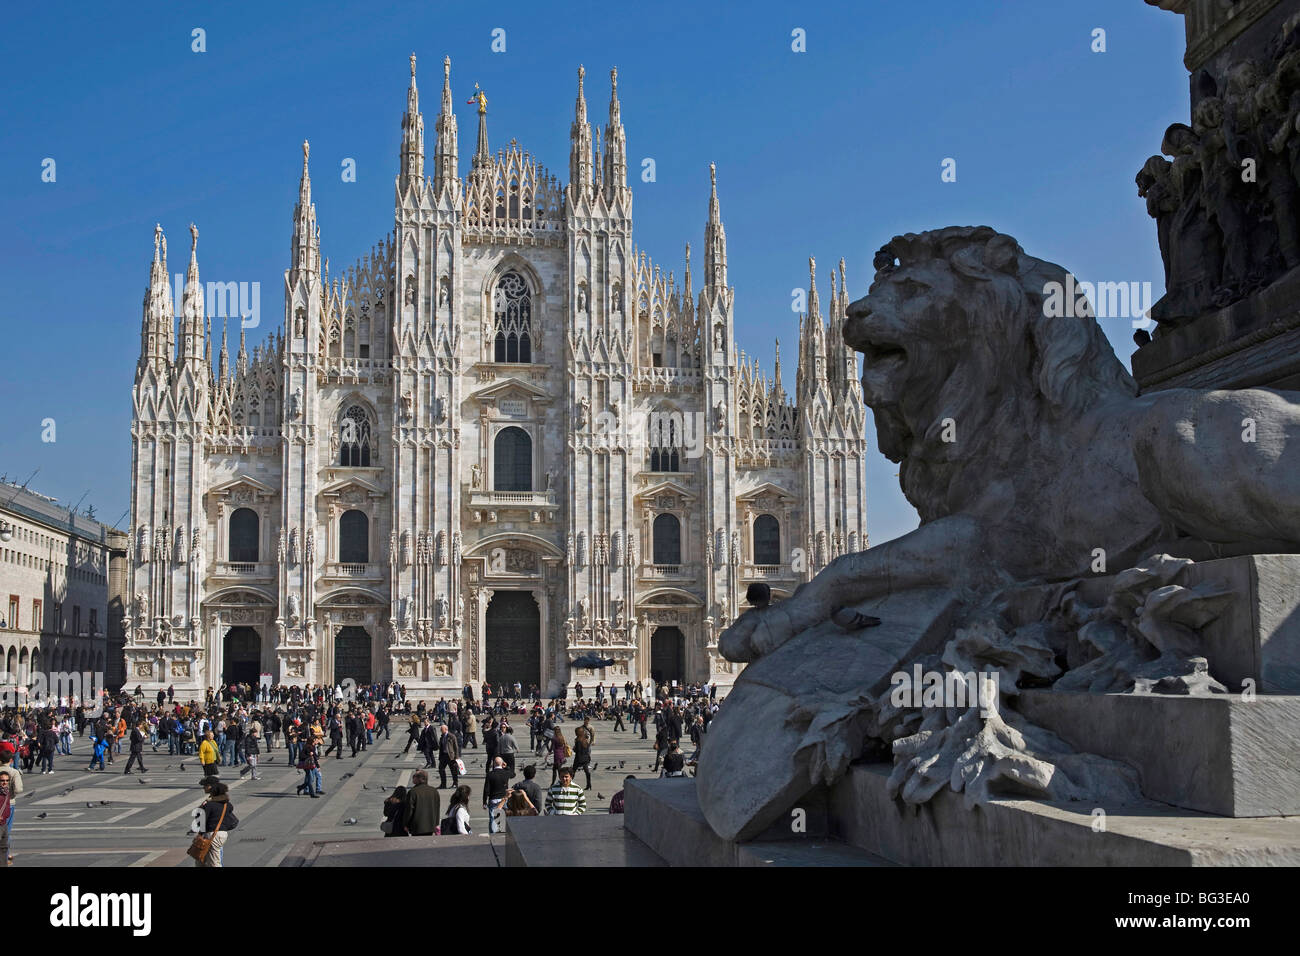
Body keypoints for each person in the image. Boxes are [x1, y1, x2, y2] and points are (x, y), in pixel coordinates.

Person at [194, 780, 237, 867]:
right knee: (202, 860)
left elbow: (200, 819)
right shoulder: (227, 805)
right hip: (222, 833)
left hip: (212, 834)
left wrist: (203, 805)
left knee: (214, 862)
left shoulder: (210, 805)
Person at [404, 770, 441, 836]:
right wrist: (436, 823)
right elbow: (437, 809)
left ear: (420, 779)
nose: (413, 778)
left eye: (414, 776)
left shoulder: (413, 792)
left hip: (417, 826)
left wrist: (406, 824)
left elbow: (409, 810)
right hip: (430, 825)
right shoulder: (434, 791)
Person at [482, 757, 512, 834]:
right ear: (502, 763)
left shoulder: (490, 774)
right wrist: (506, 767)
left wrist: (484, 801)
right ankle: (501, 832)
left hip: (493, 799)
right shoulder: (506, 773)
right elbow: (513, 774)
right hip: (503, 798)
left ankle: (493, 834)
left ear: (493, 764)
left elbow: (486, 789)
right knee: (502, 817)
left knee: (493, 818)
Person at [572, 720, 594, 791]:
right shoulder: (585, 740)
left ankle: (569, 783)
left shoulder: (578, 741)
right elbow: (587, 749)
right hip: (586, 758)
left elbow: (578, 751)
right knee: (587, 771)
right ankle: (589, 784)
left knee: (573, 771)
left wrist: (574, 749)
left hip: (579, 758)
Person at [438, 723, 460, 789]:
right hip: (443, 755)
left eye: (441, 729)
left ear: (446, 729)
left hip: (450, 756)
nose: (440, 731)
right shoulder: (442, 736)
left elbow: (456, 747)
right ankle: (443, 784)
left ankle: (455, 783)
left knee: (453, 770)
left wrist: (456, 757)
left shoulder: (451, 736)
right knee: (441, 769)